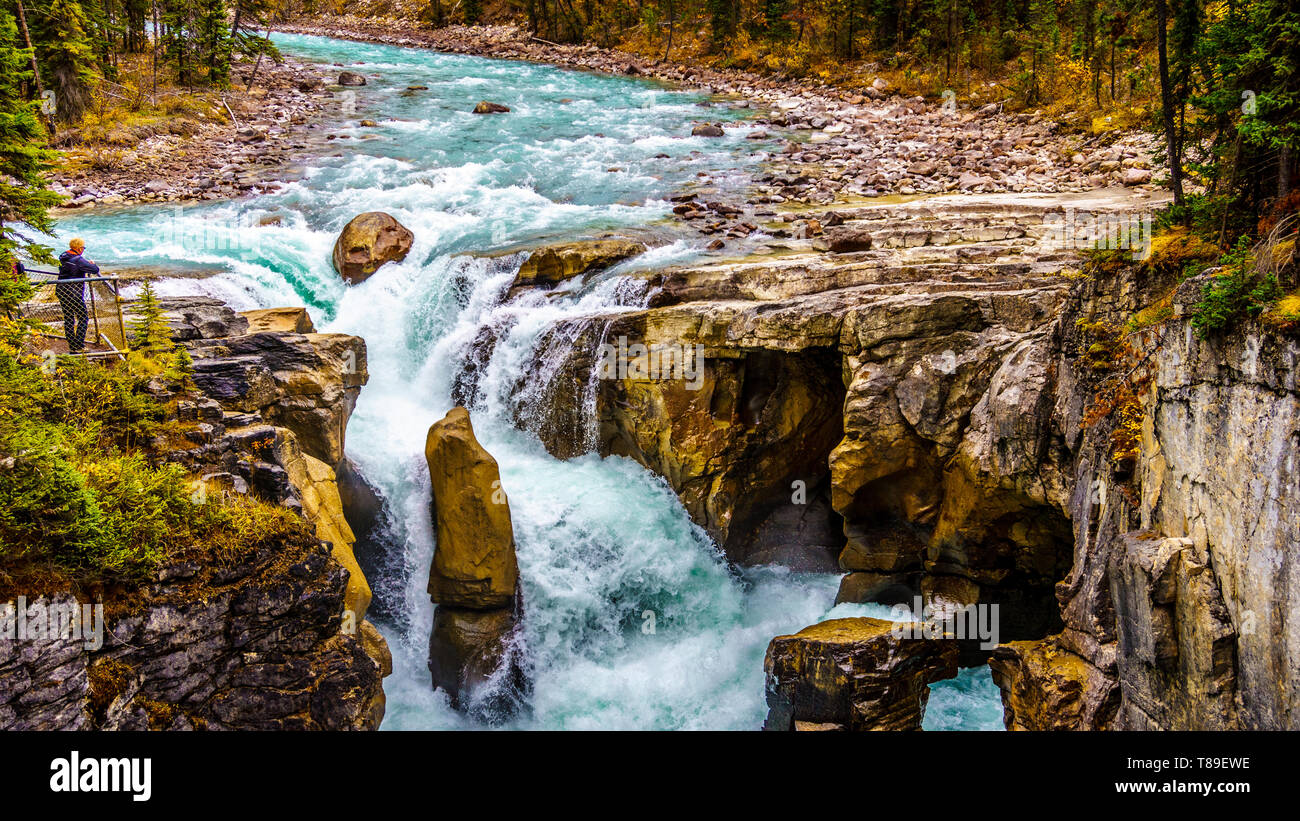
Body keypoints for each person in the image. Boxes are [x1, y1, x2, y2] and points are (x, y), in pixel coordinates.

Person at [57, 238, 97, 352]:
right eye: (83, 248)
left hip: (62, 291)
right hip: (74, 293)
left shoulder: (64, 256)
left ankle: (73, 346)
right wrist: (92, 264)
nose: (83, 250)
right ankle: (79, 345)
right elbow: (94, 269)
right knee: (83, 317)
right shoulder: (78, 260)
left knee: (69, 319)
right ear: (79, 248)